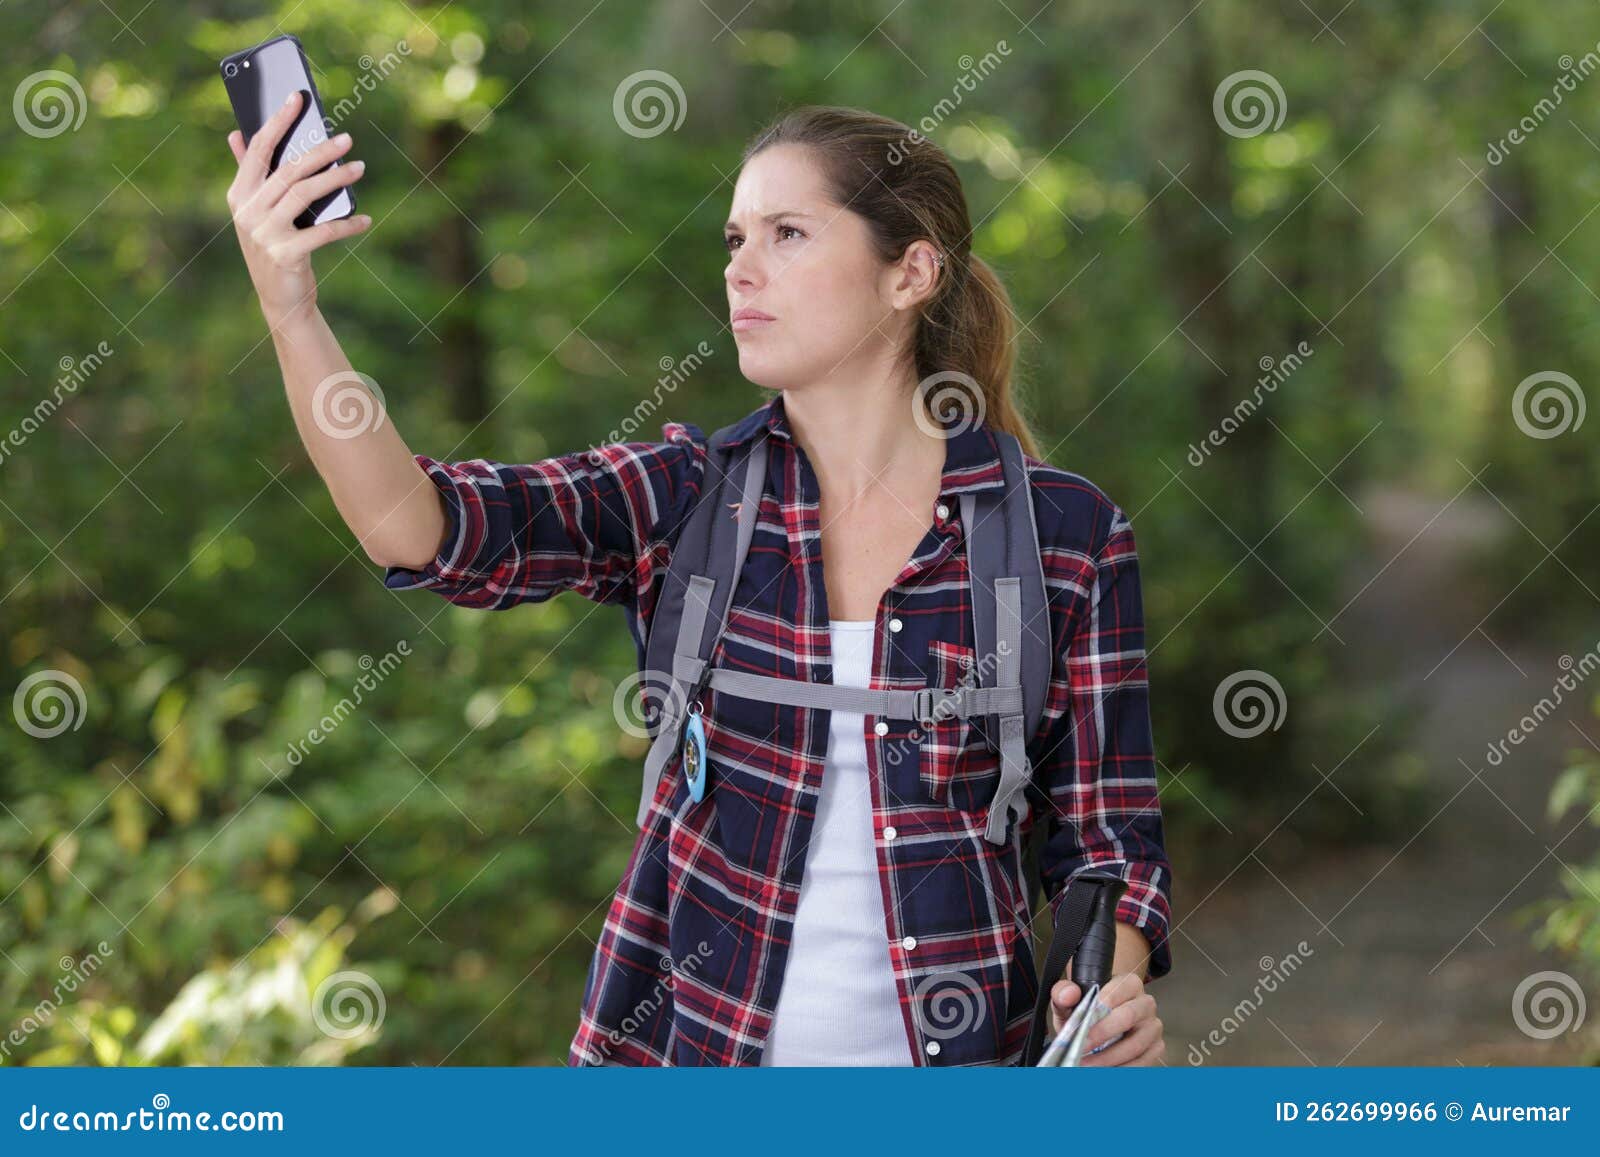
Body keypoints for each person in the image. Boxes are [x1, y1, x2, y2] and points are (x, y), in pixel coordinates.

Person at [225, 96, 1173, 1067]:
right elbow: (421, 526)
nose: (738, 268)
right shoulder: (690, 501)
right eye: (733, 238)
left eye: (787, 233)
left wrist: (1111, 993)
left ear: (911, 271)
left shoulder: (1064, 537)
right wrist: (290, 308)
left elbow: (1110, 845)